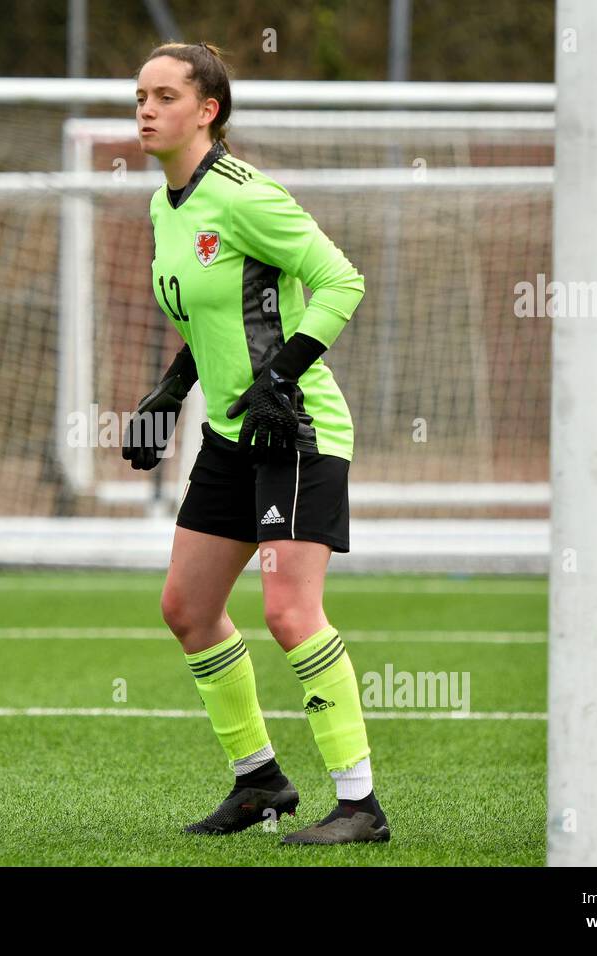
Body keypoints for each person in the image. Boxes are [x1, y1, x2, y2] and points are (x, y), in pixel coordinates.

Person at [123, 40, 389, 846]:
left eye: (165, 96)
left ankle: (359, 805)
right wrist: (169, 396)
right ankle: (259, 783)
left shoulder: (245, 196)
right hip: (232, 435)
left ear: (207, 112)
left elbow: (341, 278)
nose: (145, 108)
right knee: (188, 608)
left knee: (289, 611)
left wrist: (282, 377)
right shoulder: (163, 207)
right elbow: (209, 321)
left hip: (296, 431)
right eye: (140, 94)